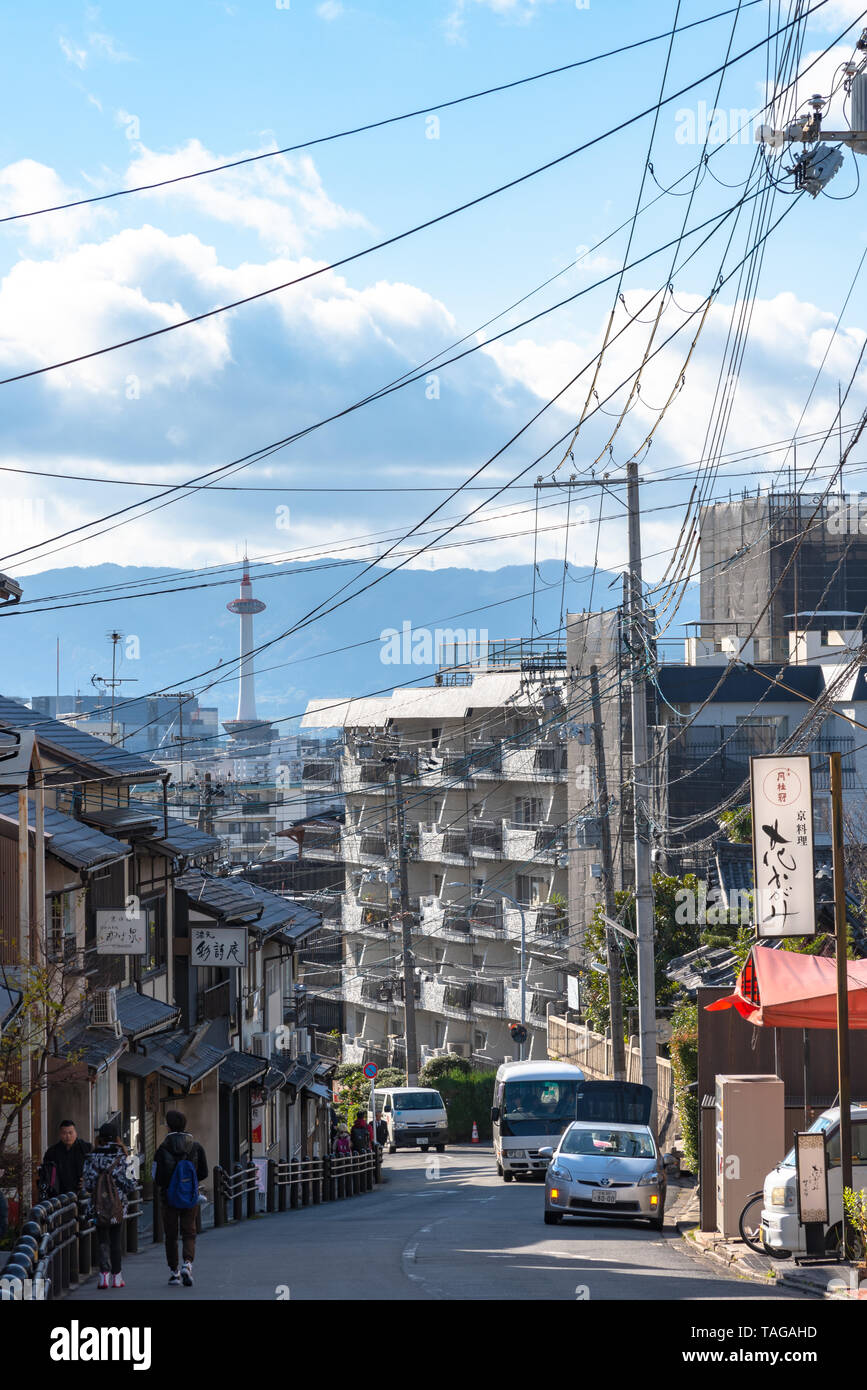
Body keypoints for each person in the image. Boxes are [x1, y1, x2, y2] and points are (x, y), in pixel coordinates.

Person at [154, 1109, 208, 1288]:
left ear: (168, 1126)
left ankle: (174, 1272)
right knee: (189, 1232)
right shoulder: (195, 1146)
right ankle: (188, 1263)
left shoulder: (163, 1148)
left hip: (169, 1197)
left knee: (171, 1235)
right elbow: (204, 1172)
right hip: (189, 1196)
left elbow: (157, 1177)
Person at [81, 1123, 136, 1289]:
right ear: (117, 1137)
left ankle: (103, 1276)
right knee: (116, 1240)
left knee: (102, 1240)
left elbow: (88, 1185)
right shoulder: (126, 1156)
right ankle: (117, 1277)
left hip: (98, 1205)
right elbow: (131, 1184)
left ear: (100, 1137)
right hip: (117, 1206)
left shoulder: (91, 1156)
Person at [41, 1120, 92, 1198]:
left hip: (81, 1193)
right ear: (60, 1134)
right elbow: (47, 1173)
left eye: (70, 1133)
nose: (68, 1136)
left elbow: (95, 1168)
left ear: (76, 1133)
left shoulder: (86, 1148)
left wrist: (88, 1180)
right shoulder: (52, 1151)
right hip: (59, 1194)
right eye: (64, 1133)